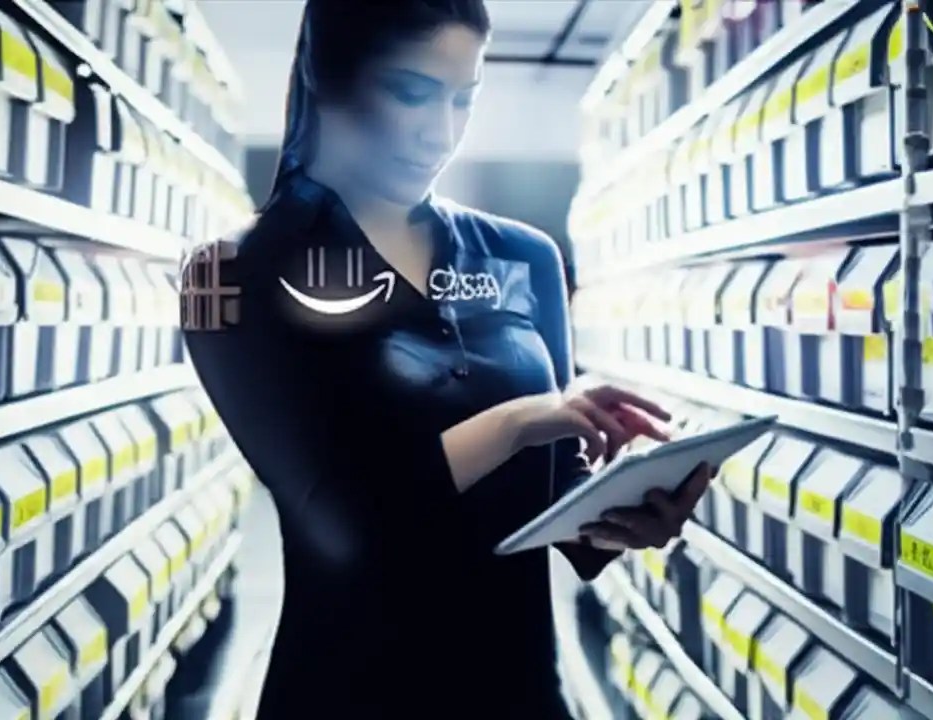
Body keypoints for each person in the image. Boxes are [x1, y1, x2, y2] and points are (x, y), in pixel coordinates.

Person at [179, 0, 714, 716]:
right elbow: (342, 518)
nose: (442, 134)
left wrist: (625, 514)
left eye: (465, 100)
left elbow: (551, 506)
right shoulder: (232, 275)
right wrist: (518, 421)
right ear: (330, 78)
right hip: (346, 691)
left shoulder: (523, 257)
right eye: (410, 92)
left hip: (517, 690)